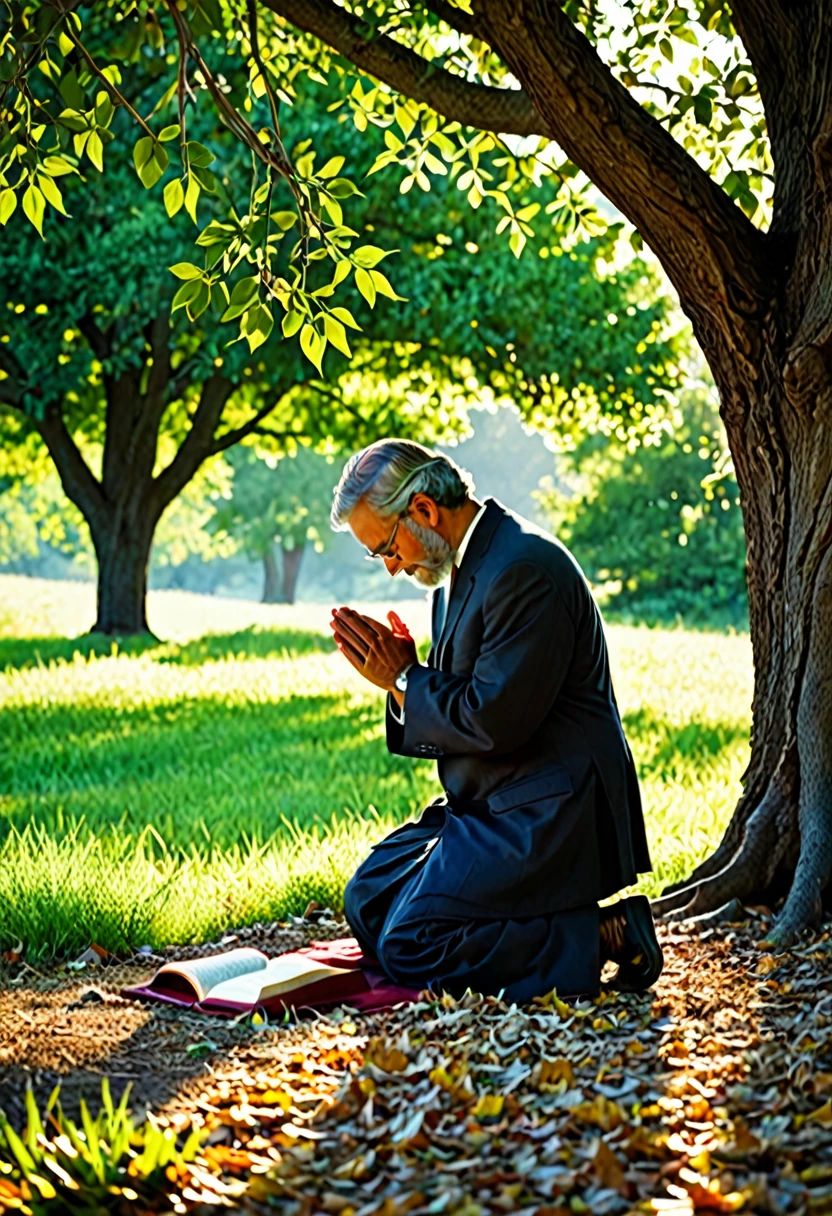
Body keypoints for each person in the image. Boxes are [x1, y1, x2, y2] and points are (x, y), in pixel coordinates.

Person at [328, 438, 662, 1001]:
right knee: (369, 899)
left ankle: (603, 933)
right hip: (488, 803)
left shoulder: (522, 567)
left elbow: (492, 722)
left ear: (424, 510)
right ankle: (542, 923)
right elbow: (458, 701)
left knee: (409, 942)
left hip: (545, 813)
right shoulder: (455, 571)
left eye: (386, 547)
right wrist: (404, 679)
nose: (391, 567)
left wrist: (405, 679)